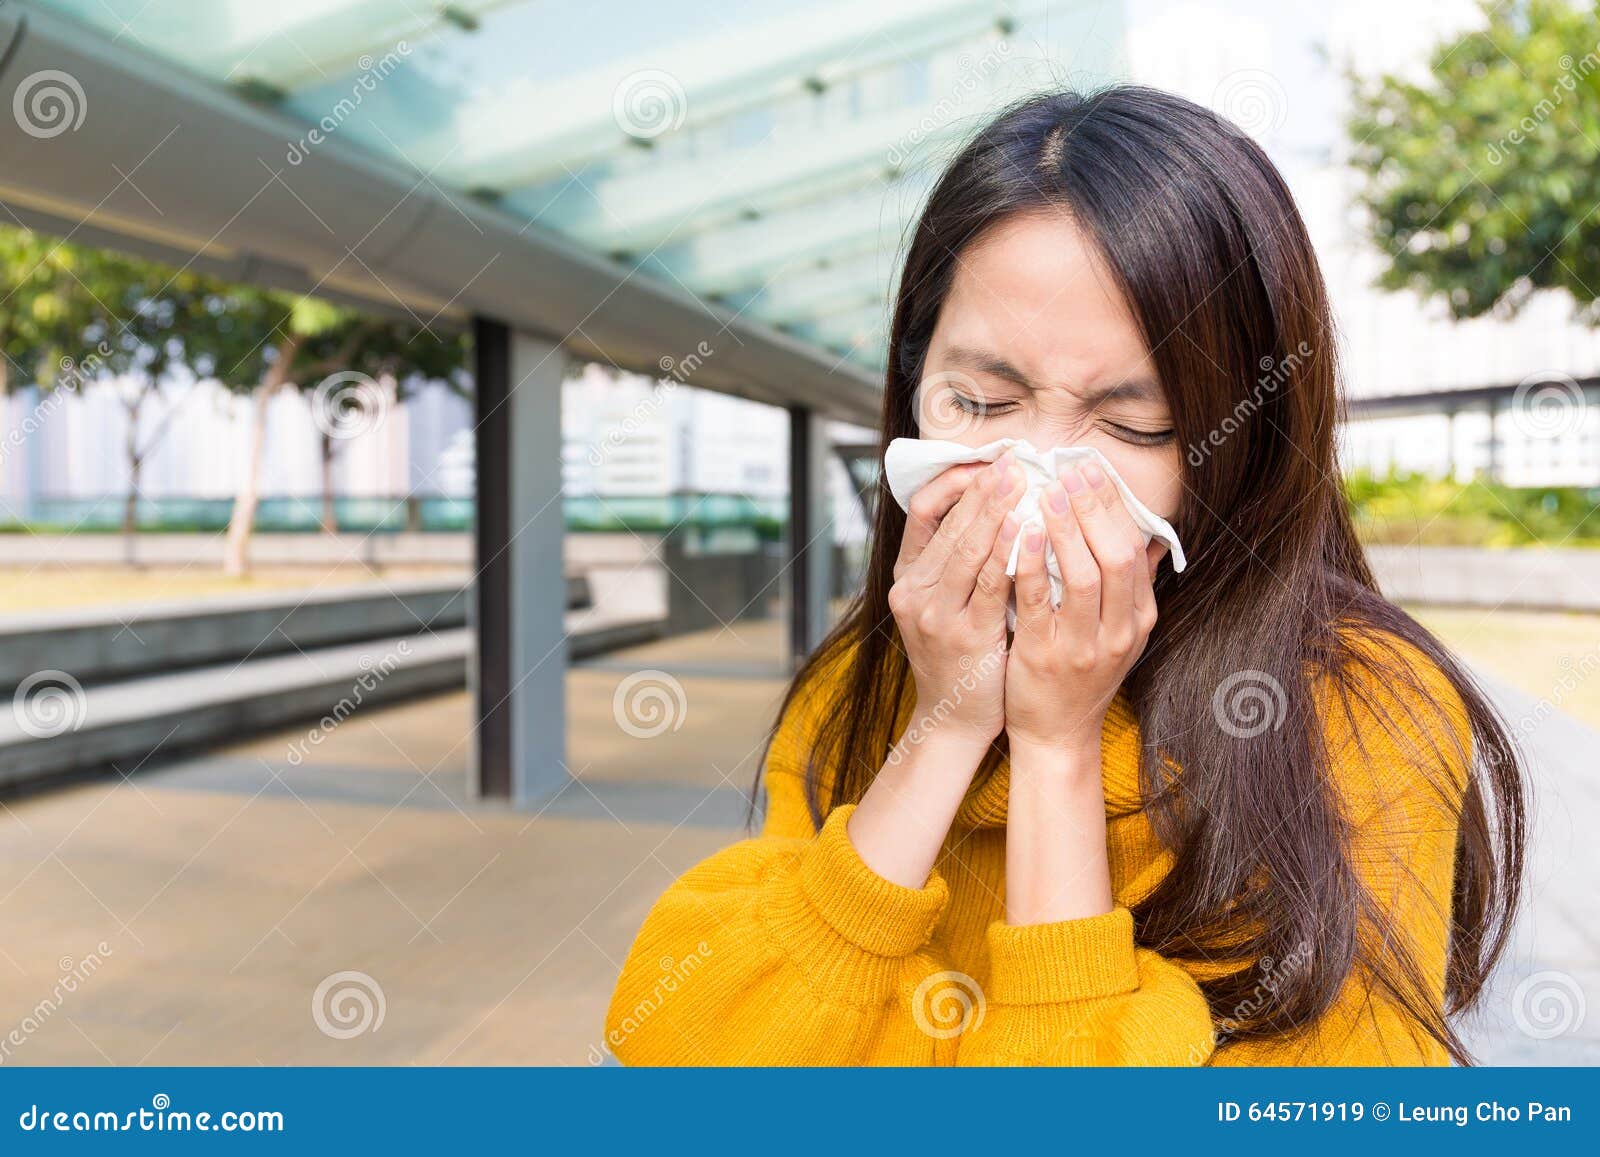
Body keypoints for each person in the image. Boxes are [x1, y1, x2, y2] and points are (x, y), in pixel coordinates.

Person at [602, 85, 1526, 1066]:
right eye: (979, 398)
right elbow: (701, 1059)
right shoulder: (850, 688)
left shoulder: (1360, 708)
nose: (1033, 466)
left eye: (1132, 424)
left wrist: (1055, 750)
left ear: (1241, 436)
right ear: (912, 388)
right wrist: (943, 724)